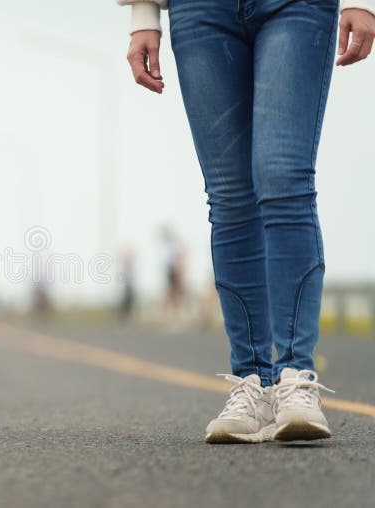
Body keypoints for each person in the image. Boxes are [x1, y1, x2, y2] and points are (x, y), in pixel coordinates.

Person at [118, 0, 375, 443]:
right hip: (199, 10)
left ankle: (296, 378)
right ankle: (251, 382)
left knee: (284, 177)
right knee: (230, 196)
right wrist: (142, 14)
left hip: (297, 6)